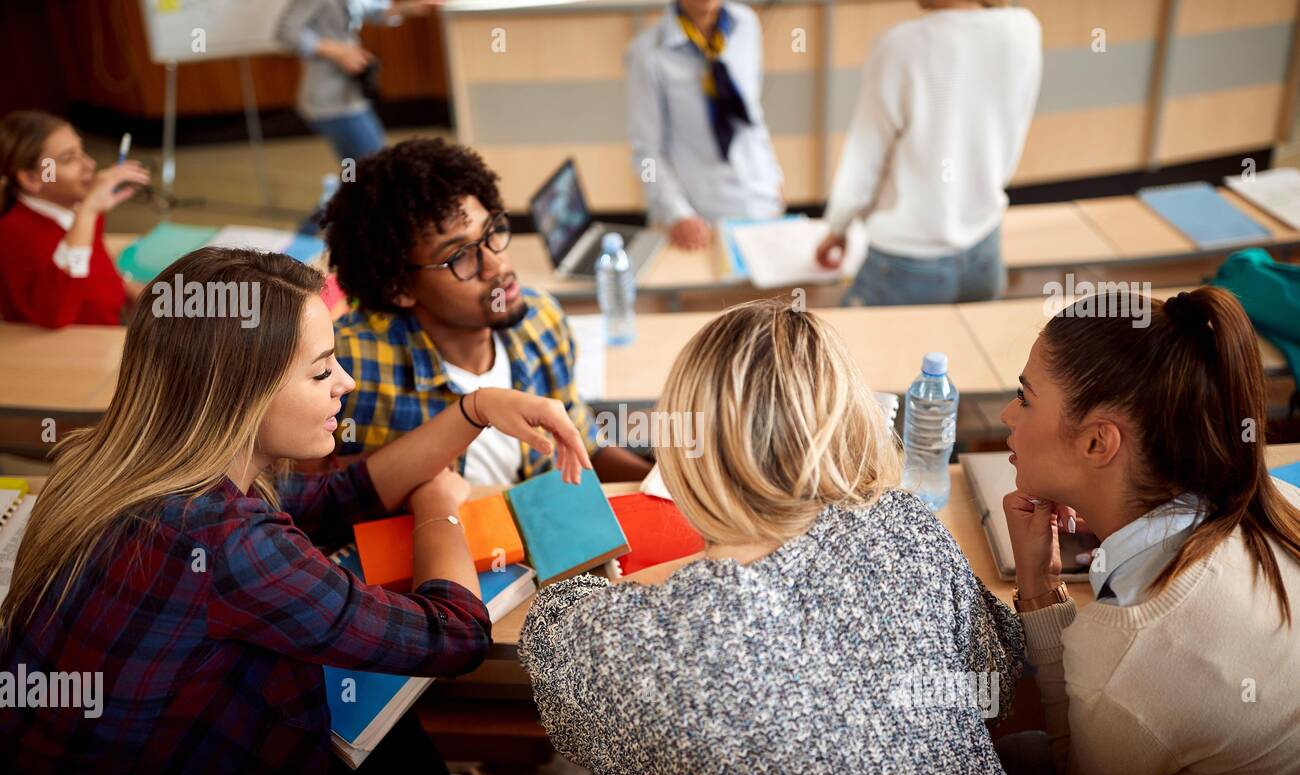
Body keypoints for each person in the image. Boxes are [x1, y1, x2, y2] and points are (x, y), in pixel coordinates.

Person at [0, 246, 592, 775]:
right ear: (241, 395)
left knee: (372, 718)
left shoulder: (109, 462)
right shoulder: (227, 540)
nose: (347, 383)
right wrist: (439, 508)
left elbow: (341, 495)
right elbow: (457, 637)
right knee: (375, 728)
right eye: (321, 372)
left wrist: (476, 410)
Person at [519, 299, 1046, 775]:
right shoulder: (906, 521)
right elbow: (999, 679)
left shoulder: (642, 640)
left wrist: (615, 586)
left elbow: (556, 664)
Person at [997, 287, 1300, 775]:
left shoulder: (1135, 639)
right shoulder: (1277, 502)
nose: (1009, 415)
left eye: (1025, 398)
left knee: (1023, 756)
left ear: (1097, 441)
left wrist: (1039, 592)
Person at [322, 137, 652, 483]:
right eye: (460, 255)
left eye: (492, 233)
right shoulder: (349, 364)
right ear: (398, 288)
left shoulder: (541, 321)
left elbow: (584, 445)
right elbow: (302, 493)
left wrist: (669, 488)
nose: (497, 265)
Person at [815, 0, 1041, 306]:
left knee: (851, 349)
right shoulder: (1023, 29)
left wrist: (837, 226)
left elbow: (864, 159)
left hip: (904, 259)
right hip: (984, 246)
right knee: (965, 352)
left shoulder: (900, 46)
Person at [627, 0, 784, 251]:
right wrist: (678, 213)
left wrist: (773, 175)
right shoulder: (647, 54)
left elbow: (752, 115)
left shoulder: (746, 24)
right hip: (702, 217)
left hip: (761, 199)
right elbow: (646, 155)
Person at [0, 110, 150, 327]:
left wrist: (126, 288)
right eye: (69, 158)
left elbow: (95, 264)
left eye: (83, 151)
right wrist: (87, 213)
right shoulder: (13, 233)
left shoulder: (78, 208)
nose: (89, 164)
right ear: (33, 178)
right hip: (73, 348)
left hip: (110, 325)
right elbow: (55, 315)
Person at [276, 0, 441, 163]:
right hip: (331, 100)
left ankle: (350, 185)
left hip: (349, 95)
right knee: (376, 163)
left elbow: (370, 10)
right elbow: (287, 31)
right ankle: (353, 186)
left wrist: (407, 9)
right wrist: (339, 52)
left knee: (352, 164)